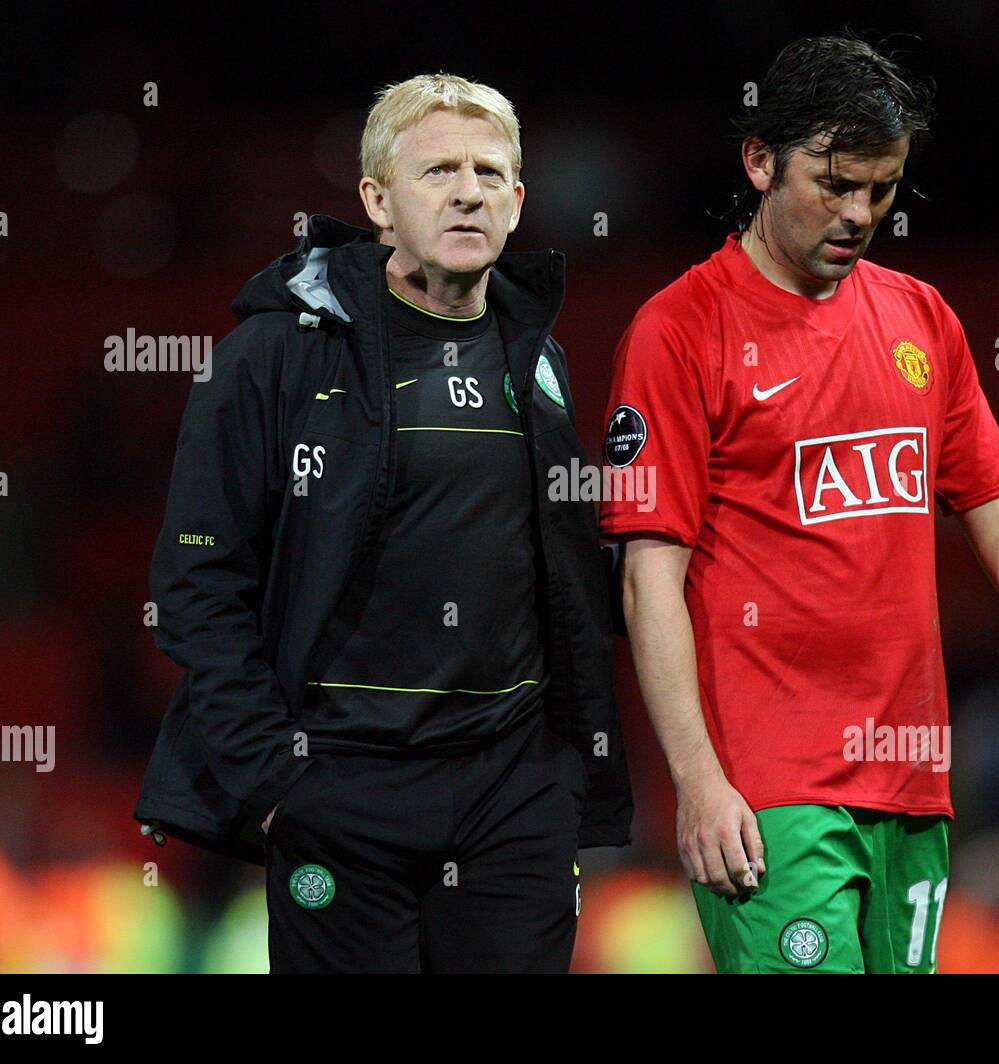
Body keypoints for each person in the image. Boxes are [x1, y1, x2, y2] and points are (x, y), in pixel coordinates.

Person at [599, 35, 999, 974]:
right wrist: (697, 781)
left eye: (883, 188)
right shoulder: (677, 331)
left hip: (914, 783)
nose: (860, 214)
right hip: (768, 791)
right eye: (834, 184)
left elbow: (997, 509)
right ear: (758, 161)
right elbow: (644, 579)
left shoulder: (921, 319)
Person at [134, 72, 632, 973]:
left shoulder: (539, 355)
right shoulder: (270, 356)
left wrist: (562, 775)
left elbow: (563, 571)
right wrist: (274, 785)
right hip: (337, 785)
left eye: (490, 172)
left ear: (518, 203)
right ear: (378, 203)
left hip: (511, 792)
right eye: (438, 170)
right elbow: (196, 582)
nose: (469, 191)